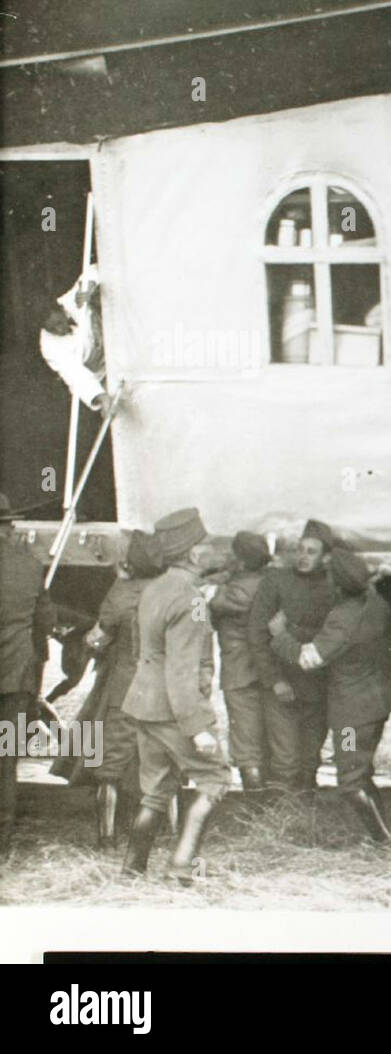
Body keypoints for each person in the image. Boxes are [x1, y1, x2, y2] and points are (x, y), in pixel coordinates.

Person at [120, 508, 232, 883]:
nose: (213, 550)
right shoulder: (191, 599)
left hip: (142, 702)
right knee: (215, 777)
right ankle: (182, 867)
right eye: (207, 544)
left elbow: (144, 651)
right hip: (171, 708)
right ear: (194, 554)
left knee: (155, 791)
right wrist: (197, 727)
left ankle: (132, 870)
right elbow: (181, 670)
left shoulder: (153, 588)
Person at [270, 549, 391, 842]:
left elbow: (309, 659)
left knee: (350, 782)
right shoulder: (376, 602)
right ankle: (384, 830)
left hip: (352, 715)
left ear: (338, 583)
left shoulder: (343, 617)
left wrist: (280, 635)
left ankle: (383, 840)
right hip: (375, 702)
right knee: (360, 771)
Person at [59, 529, 164, 848]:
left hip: (124, 687)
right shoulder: (174, 590)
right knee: (161, 761)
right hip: (164, 689)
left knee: (109, 766)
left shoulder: (121, 593)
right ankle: (163, 831)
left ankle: (106, 838)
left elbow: (98, 638)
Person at [247, 519, 335, 792]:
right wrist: (274, 680)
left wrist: (290, 631)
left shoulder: (333, 587)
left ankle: (304, 823)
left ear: (326, 557)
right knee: (284, 759)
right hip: (282, 684)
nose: (303, 556)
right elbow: (257, 635)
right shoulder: (276, 582)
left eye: (312, 552)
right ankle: (276, 823)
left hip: (318, 686)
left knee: (310, 759)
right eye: (300, 549)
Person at [0, 492, 55, 855]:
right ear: (9, 527)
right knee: (5, 760)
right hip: (14, 675)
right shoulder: (30, 564)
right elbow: (45, 623)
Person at [209, 531, 275, 795]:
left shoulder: (228, 594)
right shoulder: (275, 584)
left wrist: (224, 574)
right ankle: (278, 804)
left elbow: (203, 610)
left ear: (239, 559)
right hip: (272, 673)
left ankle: (257, 813)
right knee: (273, 739)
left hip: (239, 673)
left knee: (247, 746)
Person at [38, 265, 108, 412]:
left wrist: (89, 287)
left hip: (115, 354)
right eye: (52, 329)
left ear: (61, 309)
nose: (59, 330)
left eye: (59, 323)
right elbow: (75, 374)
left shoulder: (72, 300)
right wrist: (102, 397)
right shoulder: (48, 346)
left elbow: (94, 269)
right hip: (97, 378)